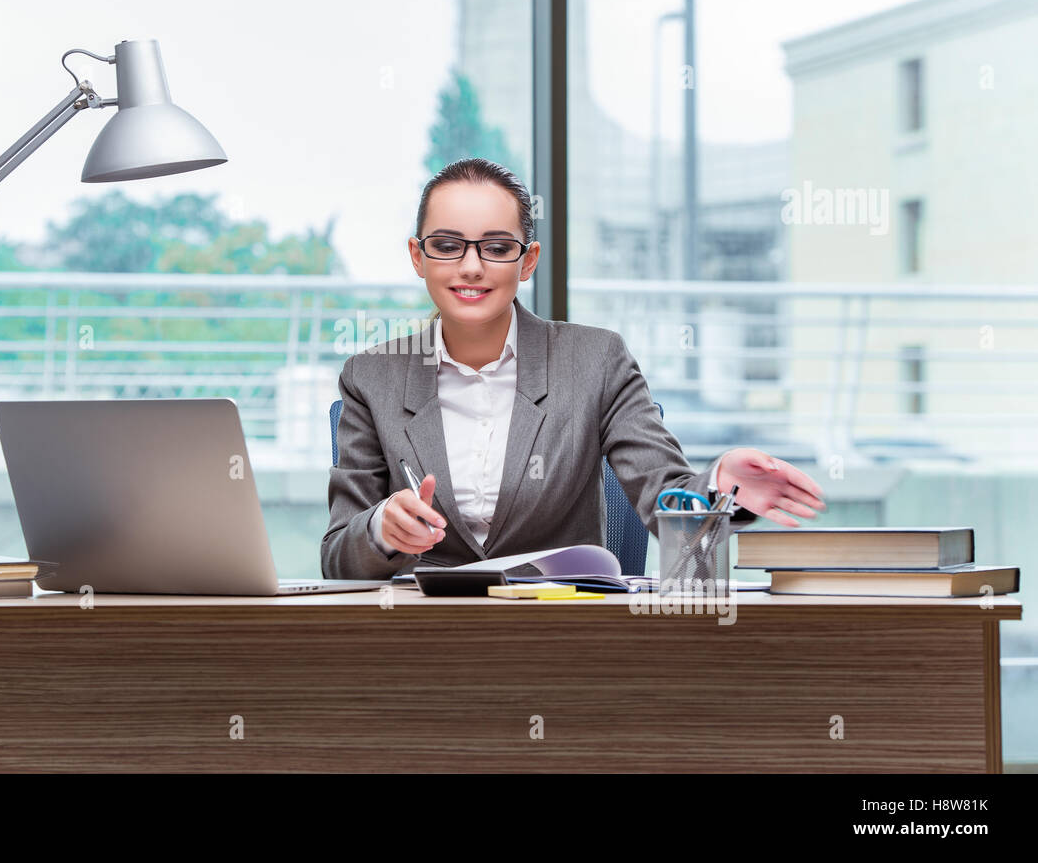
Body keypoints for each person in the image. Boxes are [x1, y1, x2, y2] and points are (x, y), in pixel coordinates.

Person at [321, 158, 825, 580]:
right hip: (422, 645)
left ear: (529, 260)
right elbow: (338, 558)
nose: (471, 267)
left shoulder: (595, 361)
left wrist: (719, 487)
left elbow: (664, 496)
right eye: (448, 245)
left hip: (562, 638)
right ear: (418, 256)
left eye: (497, 248)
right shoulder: (372, 377)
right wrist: (381, 528)